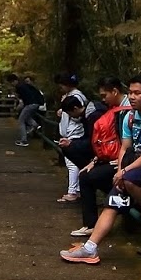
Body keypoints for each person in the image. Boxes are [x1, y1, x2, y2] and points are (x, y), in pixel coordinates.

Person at [60, 74, 141, 264]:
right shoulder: (129, 116)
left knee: (129, 178)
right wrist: (121, 169)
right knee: (111, 202)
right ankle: (90, 249)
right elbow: (124, 147)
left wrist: (124, 172)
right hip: (133, 167)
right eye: (130, 92)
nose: (133, 96)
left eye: (138, 93)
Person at [70, 77, 128, 238]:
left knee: (92, 178)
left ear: (115, 91)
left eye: (104, 95)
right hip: (116, 156)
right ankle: (91, 223)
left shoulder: (128, 110)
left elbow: (130, 139)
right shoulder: (117, 109)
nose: (103, 100)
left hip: (126, 160)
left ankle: (125, 206)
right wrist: (95, 160)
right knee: (85, 175)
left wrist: (124, 161)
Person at [53, 73, 93, 203]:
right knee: (72, 164)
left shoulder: (77, 97)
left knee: (72, 165)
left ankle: (73, 191)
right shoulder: (71, 96)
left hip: (75, 134)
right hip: (70, 133)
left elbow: (78, 115)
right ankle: (77, 190)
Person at [7, 73, 44, 147]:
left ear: (14, 81)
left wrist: (16, 109)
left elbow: (22, 101)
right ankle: (35, 125)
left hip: (30, 104)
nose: (12, 84)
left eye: (11, 82)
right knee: (26, 117)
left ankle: (24, 140)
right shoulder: (24, 85)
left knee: (21, 120)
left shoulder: (19, 87)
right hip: (36, 104)